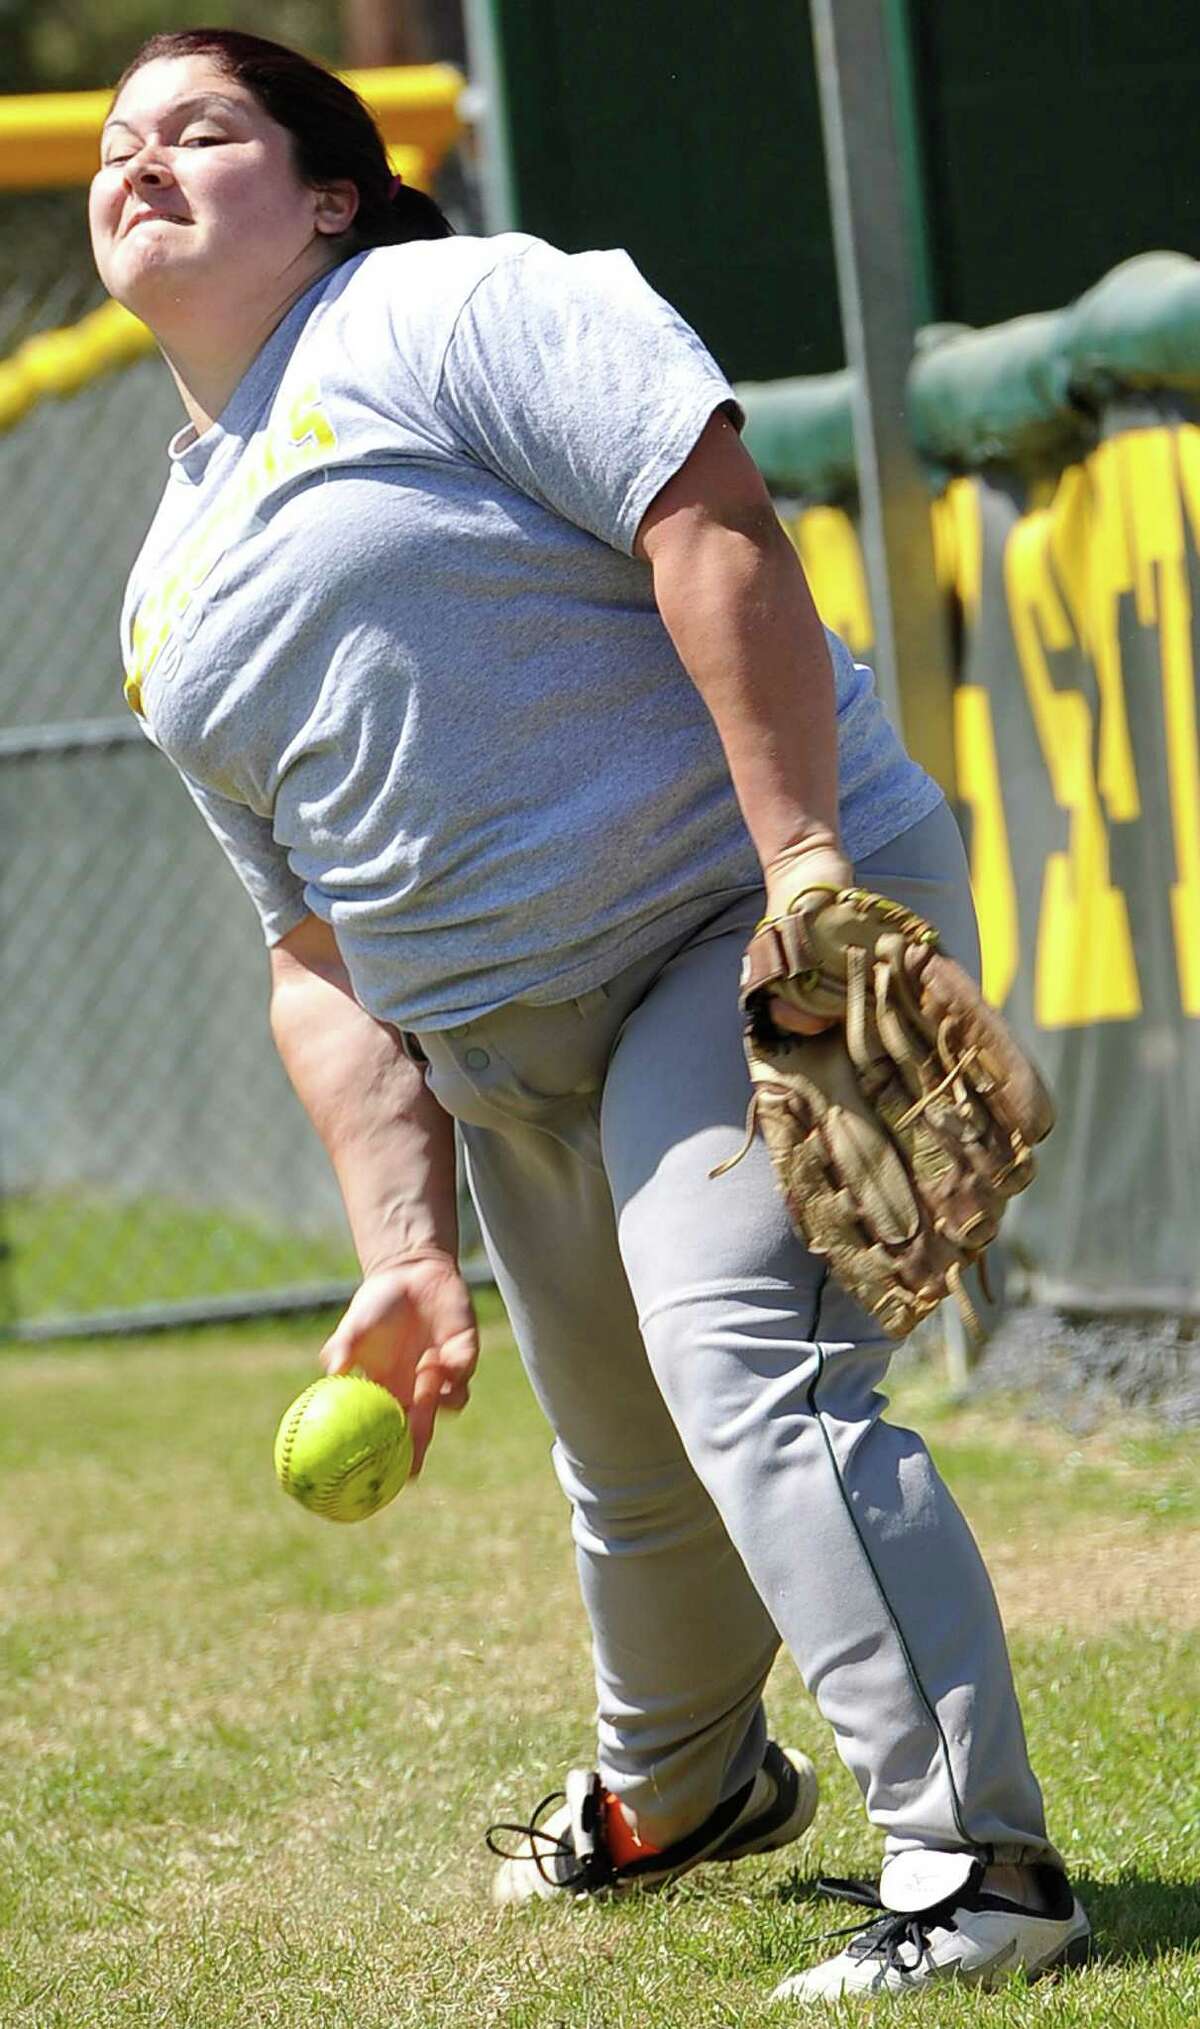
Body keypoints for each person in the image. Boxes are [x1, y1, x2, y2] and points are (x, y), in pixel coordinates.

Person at [90, 28, 1091, 2001]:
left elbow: (709, 520)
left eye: (200, 127)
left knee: (758, 1376)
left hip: (723, 924)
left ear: (330, 191)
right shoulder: (163, 583)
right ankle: (688, 1784)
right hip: (496, 1043)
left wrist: (806, 868)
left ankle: (980, 1866)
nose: (142, 161)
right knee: (632, 1476)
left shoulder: (452, 307)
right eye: (114, 140)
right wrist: (403, 1245)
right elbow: (313, 947)